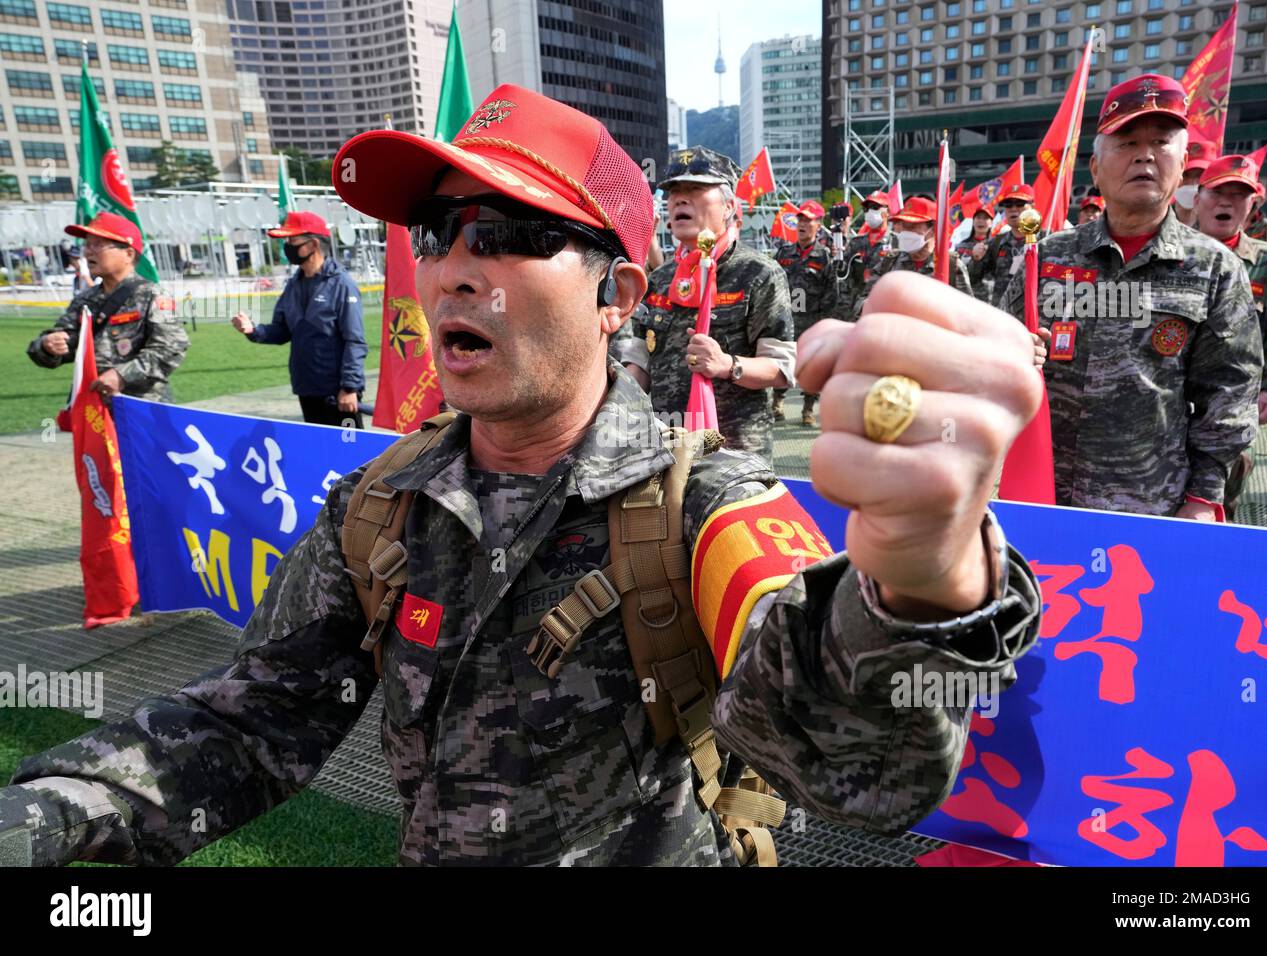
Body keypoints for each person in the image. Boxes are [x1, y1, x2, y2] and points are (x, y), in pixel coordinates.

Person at [0, 84, 1044, 868]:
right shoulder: (380, 504)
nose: (454, 264)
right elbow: (250, 718)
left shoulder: (704, 507)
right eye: (438, 232)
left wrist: (915, 584)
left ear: (616, 292)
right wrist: (45, 818)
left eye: (505, 234)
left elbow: (860, 770)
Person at [1004, 73, 1262, 518]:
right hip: (1041, 497)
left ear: (1182, 166)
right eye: (1125, 143)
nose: (1144, 155)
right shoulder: (1044, 258)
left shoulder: (1215, 269)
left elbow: (1230, 394)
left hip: (1154, 507)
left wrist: (1202, 499)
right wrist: (1010, 354)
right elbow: (995, 363)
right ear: (1095, 167)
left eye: (1161, 143)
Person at [619, 145, 795, 466]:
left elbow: (781, 369)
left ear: (728, 206)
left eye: (696, 190)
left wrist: (727, 365)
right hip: (666, 446)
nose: (680, 200)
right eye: (674, 192)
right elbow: (639, 363)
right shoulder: (659, 280)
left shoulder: (757, 274)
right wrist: (614, 404)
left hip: (732, 450)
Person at [1193, 154, 1267, 520]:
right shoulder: (1169, 254)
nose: (1227, 202)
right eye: (1218, 192)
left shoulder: (1266, 261)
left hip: (1233, 407)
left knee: (1223, 494)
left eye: (1239, 195)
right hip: (1167, 404)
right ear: (1197, 197)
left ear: (1253, 205)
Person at [26, 212, 189, 402]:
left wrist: (122, 375)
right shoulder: (85, 300)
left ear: (128, 254)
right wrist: (48, 346)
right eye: (87, 245)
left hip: (142, 406)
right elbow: (61, 343)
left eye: (98, 245)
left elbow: (172, 347)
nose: (88, 252)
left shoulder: (153, 295)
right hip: (93, 407)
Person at [231, 210, 368, 428]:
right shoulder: (293, 285)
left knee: (352, 456)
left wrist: (350, 388)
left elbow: (355, 340)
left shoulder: (342, 284)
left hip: (338, 393)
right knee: (318, 451)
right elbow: (282, 329)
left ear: (313, 245)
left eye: (292, 240)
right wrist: (253, 330)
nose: (287, 247)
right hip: (306, 388)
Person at [774, 200, 838, 426]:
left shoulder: (824, 257)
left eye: (808, 220)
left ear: (818, 225)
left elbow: (831, 293)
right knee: (783, 360)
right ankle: (777, 402)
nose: (802, 224)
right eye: (800, 219)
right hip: (786, 319)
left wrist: (825, 325)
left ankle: (808, 408)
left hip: (812, 321)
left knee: (812, 364)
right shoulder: (783, 252)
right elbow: (773, 283)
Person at [860, 197, 974, 303]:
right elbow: (863, 300)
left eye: (912, 226)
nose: (905, 232)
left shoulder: (950, 265)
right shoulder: (889, 262)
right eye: (903, 226)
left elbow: (967, 311)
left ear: (933, 229)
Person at [967, 184, 1034, 309]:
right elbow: (973, 279)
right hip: (1003, 314)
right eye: (1008, 205)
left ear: (1032, 208)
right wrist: (976, 259)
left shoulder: (1044, 240)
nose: (1013, 209)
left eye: (1019, 203)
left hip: (1033, 316)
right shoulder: (996, 243)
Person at [835, 190, 894, 320]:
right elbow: (843, 277)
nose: (869, 212)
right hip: (854, 312)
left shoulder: (895, 242)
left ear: (887, 212)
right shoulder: (856, 243)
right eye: (866, 208)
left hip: (883, 311)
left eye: (875, 207)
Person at [955, 204, 995, 303]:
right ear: (973, 221)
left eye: (985, 218)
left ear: (991, 223)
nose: (981, 221)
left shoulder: (996, 245)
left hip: (989, 299)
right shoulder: (961, 247)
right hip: (965, 297)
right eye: (978, 217)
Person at [1171, 153, 1212, 226]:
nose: (1192, 183)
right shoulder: (1155, 220)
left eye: (1200, 175)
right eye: (1185, 175)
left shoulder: (1218, 225)